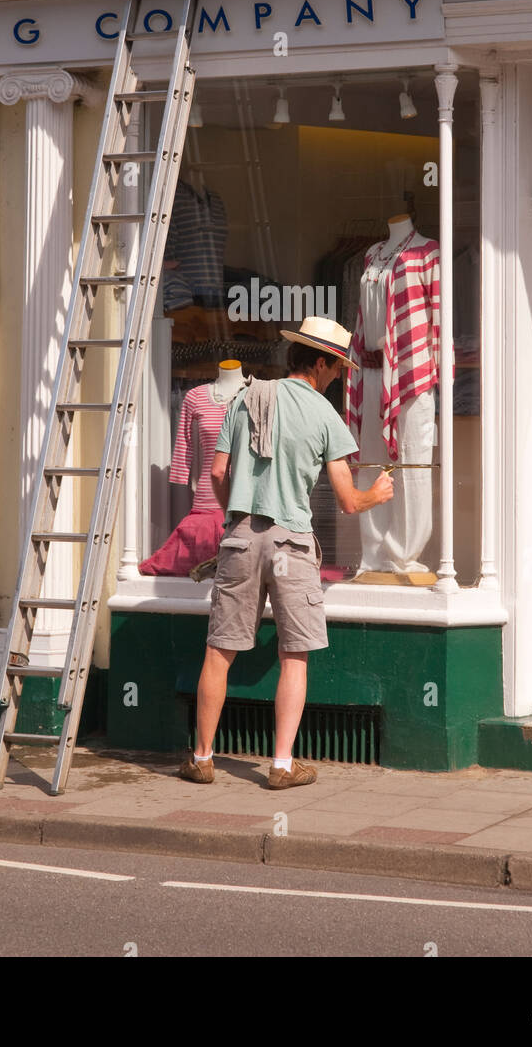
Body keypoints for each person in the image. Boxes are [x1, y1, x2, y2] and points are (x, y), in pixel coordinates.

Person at [179, 316, 394, 790]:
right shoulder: (324, 415)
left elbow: (216, 473)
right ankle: (280, 765)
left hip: (240, 537)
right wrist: (376, 493)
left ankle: (202, 758)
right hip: (292, 543)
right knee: (294, 653)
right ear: (318, 363)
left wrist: (237, 514)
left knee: (219, 651)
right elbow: (347, 501)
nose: (338, 377)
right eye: (336, 368)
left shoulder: (245, 398)